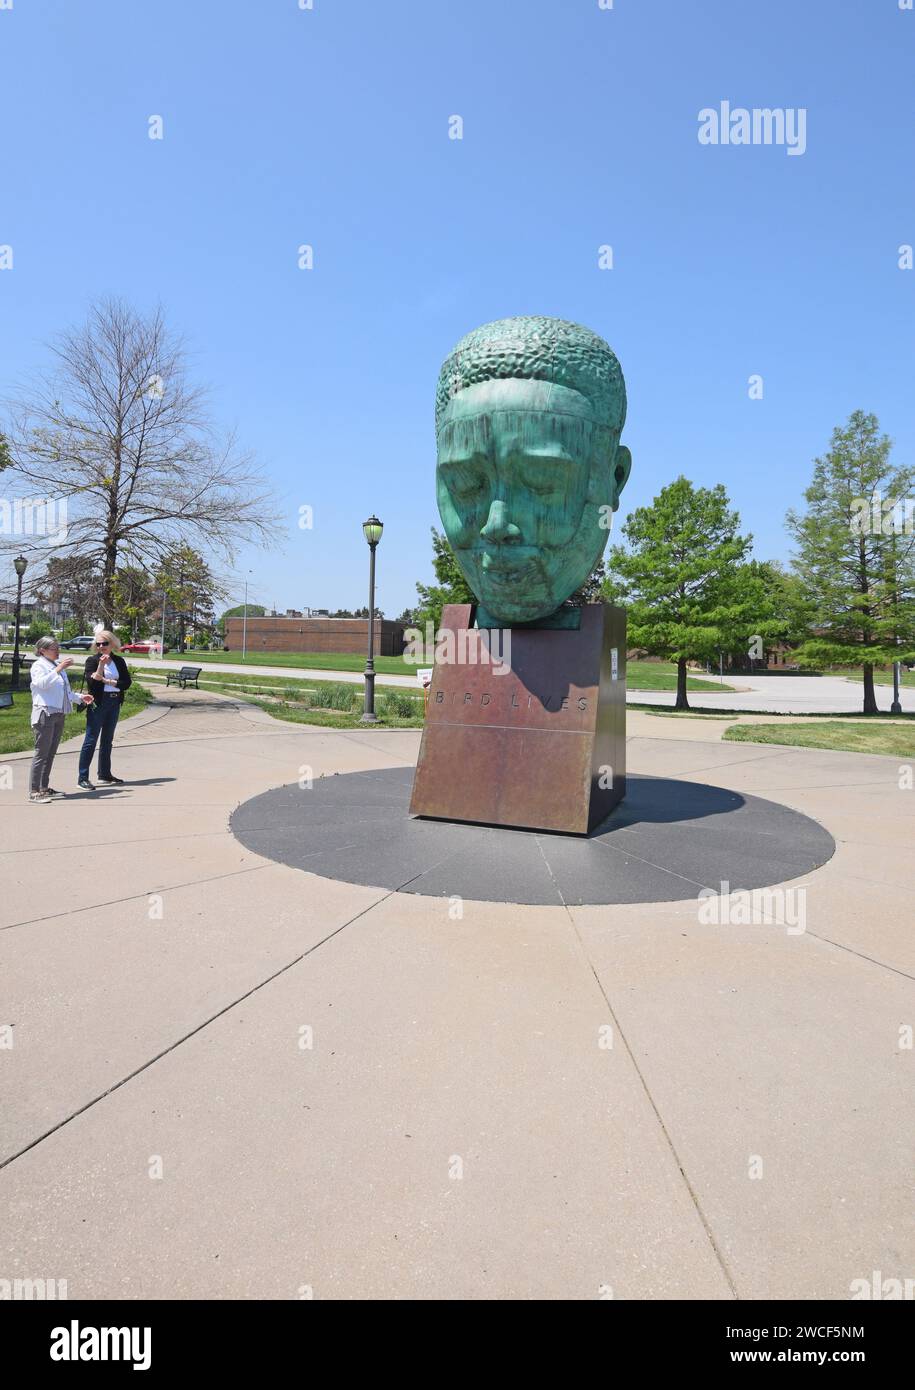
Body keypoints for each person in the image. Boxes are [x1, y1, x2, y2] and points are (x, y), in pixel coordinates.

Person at [29, 636, 93, 803]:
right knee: (41, 753)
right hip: (45, 713)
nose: (58, 651)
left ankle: (44, 788)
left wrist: (80, 698)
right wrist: (58, 669)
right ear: (42, 650)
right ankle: (34, 791)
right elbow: (41, 684)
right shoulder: (39, 666)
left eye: (58, 648)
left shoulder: (56, 667)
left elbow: (66, 692)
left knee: (50, 753)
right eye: (54, 649)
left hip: (59, 713)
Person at [78, 630, 132, 791]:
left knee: (107, 740)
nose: (101, 646)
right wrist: (101, 666)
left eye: (105, 643)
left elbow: (126, 683)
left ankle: (104, 774)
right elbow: (93, 684)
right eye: (98, 644)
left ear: (112, 644)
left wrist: (107, 681)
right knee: (91, 740)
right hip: (99, 703)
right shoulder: (92, 661)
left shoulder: (119, 661)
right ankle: (82, 778)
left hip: (114, 701)